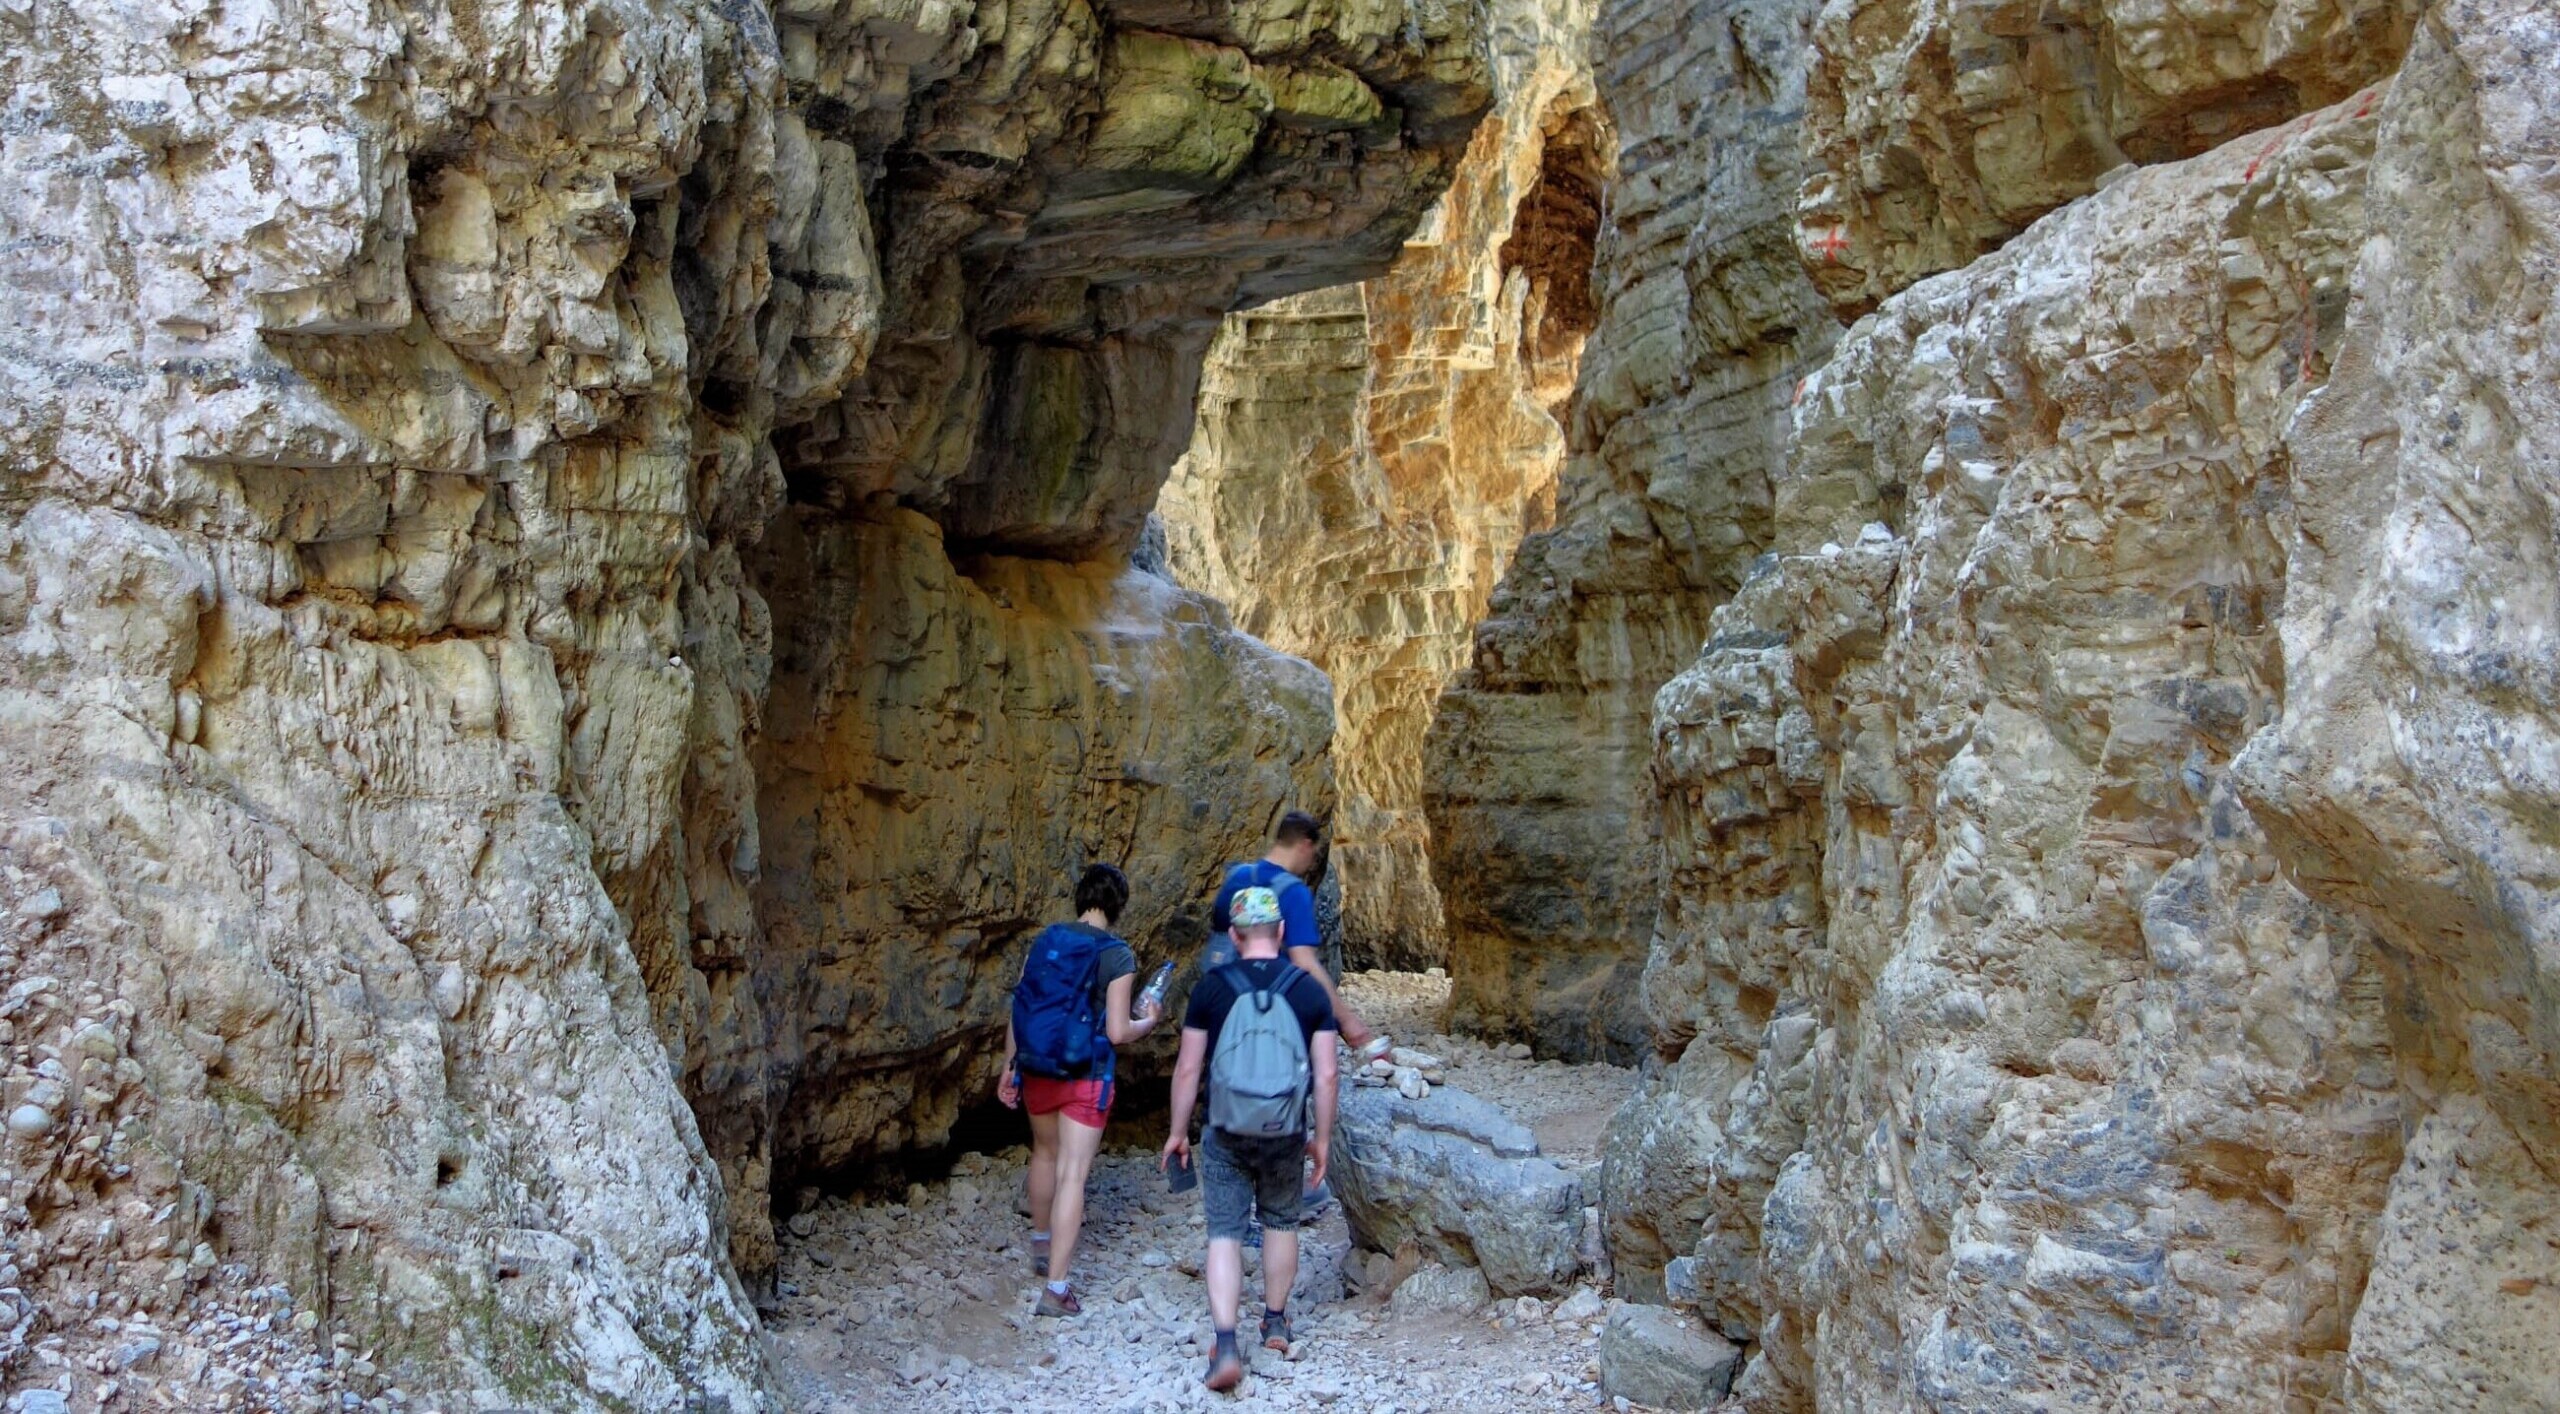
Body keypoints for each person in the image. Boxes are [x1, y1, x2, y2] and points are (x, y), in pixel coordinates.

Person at [1160, 886, 1340, 1392]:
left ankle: (1227, 1343)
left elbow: (1188, 1068)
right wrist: (1321, 1139)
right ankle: (1277, 1322)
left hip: (1226, 1128)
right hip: (1285, 1130)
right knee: (1282, 1219)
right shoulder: (1307, 990)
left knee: (1225, 1231)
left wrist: (1178, 1133)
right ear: (1281, 932)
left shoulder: (1212, 988)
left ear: (1235, 936)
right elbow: (1326, 1075)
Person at [998, 863, 1162, 1317]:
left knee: (1044, 1153)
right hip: (1085, 1074)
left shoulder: (1046, 941)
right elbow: (1116, 1031)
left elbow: (1022, 1005)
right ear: (1118, 906)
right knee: (1073, 1173)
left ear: (1080, 898)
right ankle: (1056, 1288)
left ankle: (1039, 1243)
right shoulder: (1117, 955)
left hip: (1037, 1067)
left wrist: (1009, 1066)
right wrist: (1149, 1019)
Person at [1207, 811, 1387, 1060]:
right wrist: (1350, 1024)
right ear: (1305, 844)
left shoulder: (1236, 878)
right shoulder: (1293, 893)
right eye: (1314, 853)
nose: (1313, 862)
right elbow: (1305, 963)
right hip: (1270, 1013)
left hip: (1222, 1003)